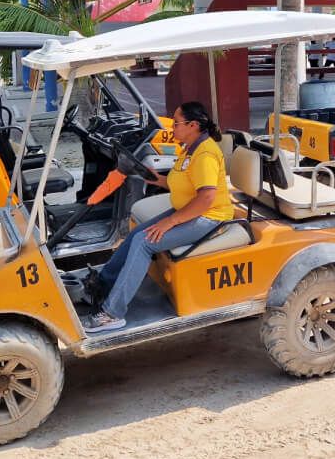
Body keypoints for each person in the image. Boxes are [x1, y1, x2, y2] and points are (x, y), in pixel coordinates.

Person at [82, 100, 234, 333]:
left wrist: (170, 221)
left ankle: (112, 314)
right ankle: (102, 285)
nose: (172, 127)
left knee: (145, 242)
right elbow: (182, 183)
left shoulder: (205, 154)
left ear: (193, 125)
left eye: (176, 123)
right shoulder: (190, 148)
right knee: (135, 235)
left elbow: (206, 199)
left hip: (210, 217)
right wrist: (156, 179)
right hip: (190, 209)